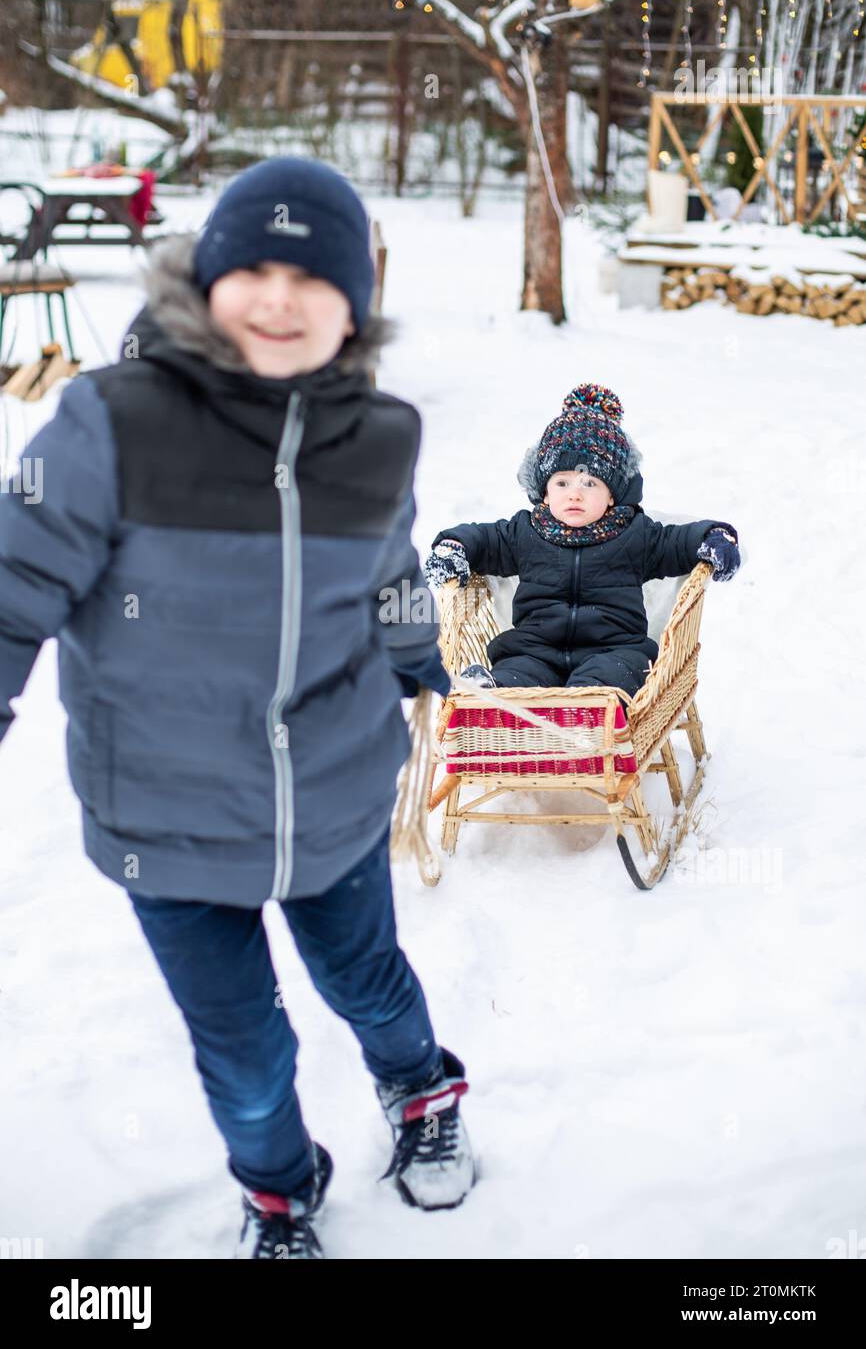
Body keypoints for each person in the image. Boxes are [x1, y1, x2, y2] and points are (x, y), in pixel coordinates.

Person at [0, 157, 476, 1260]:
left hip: (335, 794)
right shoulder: (107, 421)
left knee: (370, 982)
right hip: (161, 819)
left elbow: (392, 568)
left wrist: (420, 659)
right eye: (250, 268)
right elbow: (13, 578)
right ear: (203, 280)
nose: (277, 298)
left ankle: (418, 1092)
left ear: (353, 301)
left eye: (309, 276)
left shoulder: (382, 435)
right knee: (243, 1048)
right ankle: (276, 1187)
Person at [423, 383, 740, 698]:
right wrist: (454, 547)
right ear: (544, 493)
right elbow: (484, 540)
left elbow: (678, 541)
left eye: (590, 482)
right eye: (562, 482)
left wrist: (713, 537)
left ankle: (587, 711)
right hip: (534, 651)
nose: (574, 493)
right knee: (518, 675)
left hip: (612, 650)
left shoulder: (636, 534)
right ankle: (492, 694)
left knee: (612, 675)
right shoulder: (525, 531)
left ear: (613, 495)